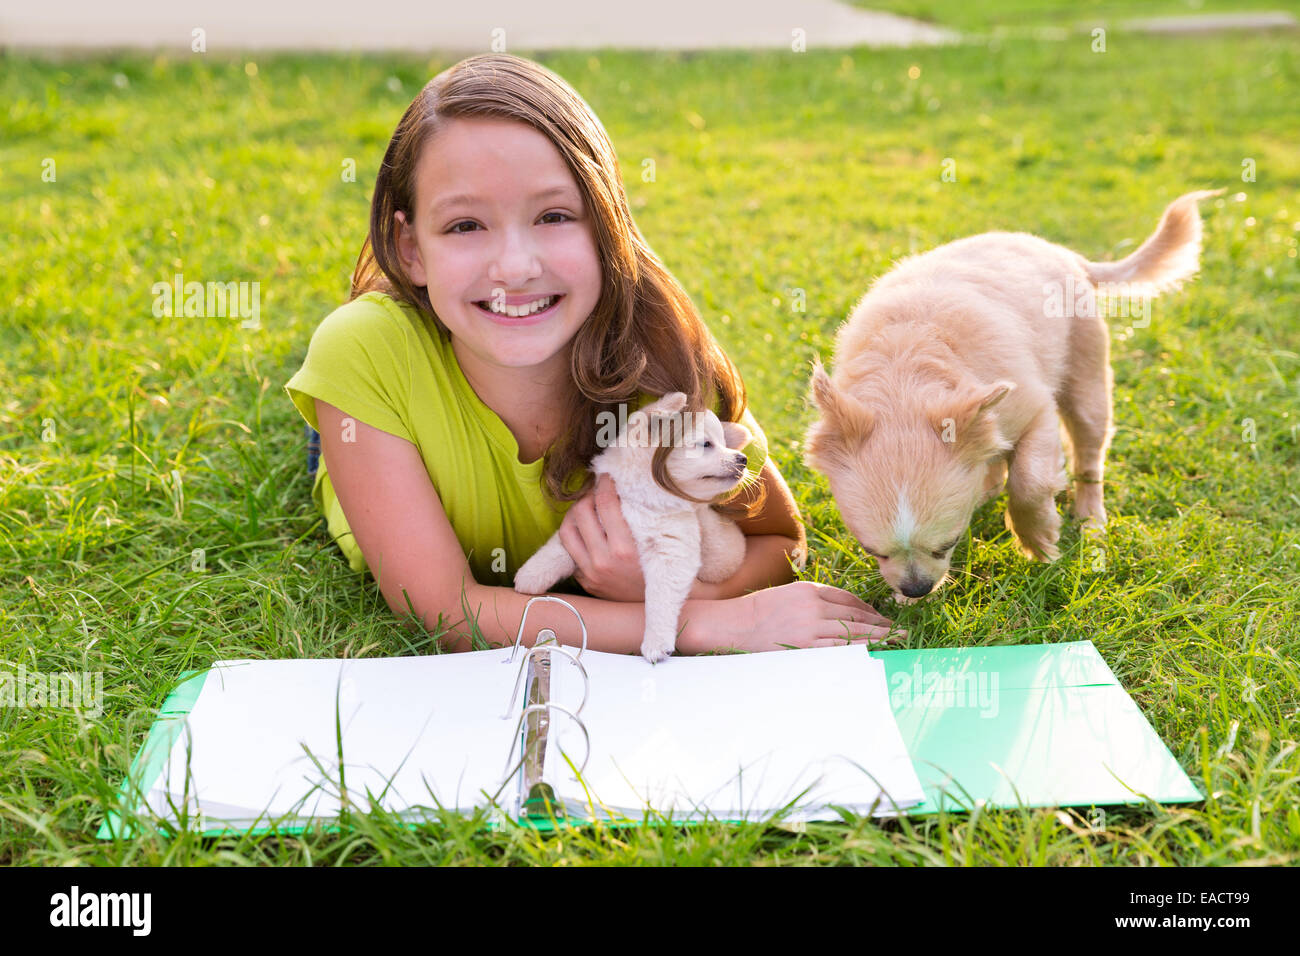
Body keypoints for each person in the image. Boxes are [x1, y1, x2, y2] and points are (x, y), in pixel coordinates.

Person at [285, 53, 901, 655]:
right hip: (376, 421)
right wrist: (695, 621)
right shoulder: (364, 356)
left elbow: (780, 540)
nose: (517, 266)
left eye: (554, 215)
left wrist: (654, 582)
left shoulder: (658, 364)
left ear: (606, 227)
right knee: (341, 367)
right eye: (465, 226)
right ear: (410, 247)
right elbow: (448, 611)